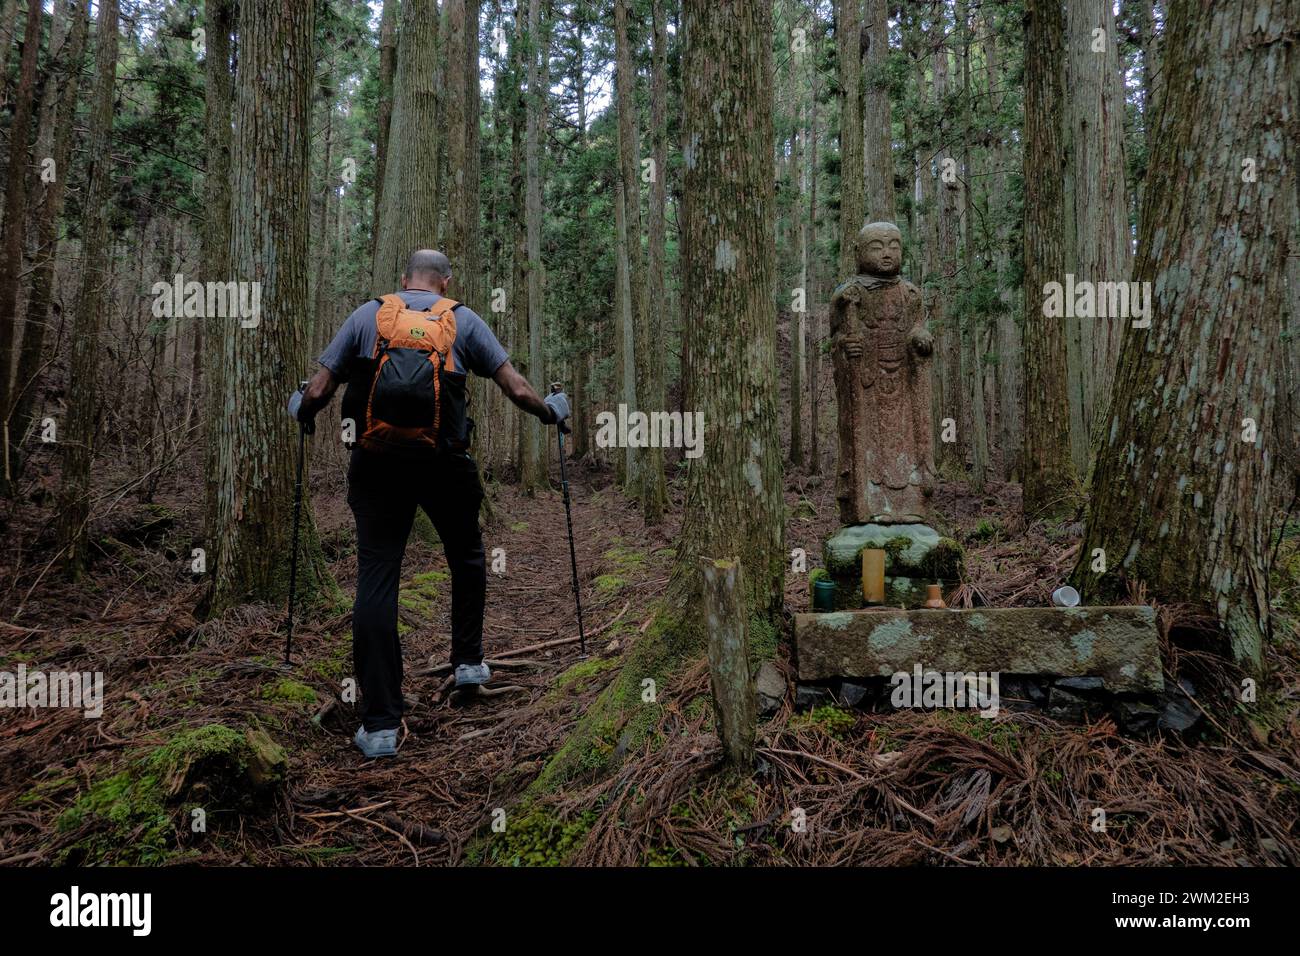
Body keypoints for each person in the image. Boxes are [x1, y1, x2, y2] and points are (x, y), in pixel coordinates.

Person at [288, 249, 569, 758]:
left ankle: (379, 726)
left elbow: (321, 386)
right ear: (445, 281)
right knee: (466, 554)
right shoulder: (461, 319)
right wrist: (552, 413)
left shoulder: (368, 315)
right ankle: (467, 662)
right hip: (444, 462)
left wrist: (300, 406)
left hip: (375, 464)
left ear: (403, 279)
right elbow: (516, 387)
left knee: (376, 579)